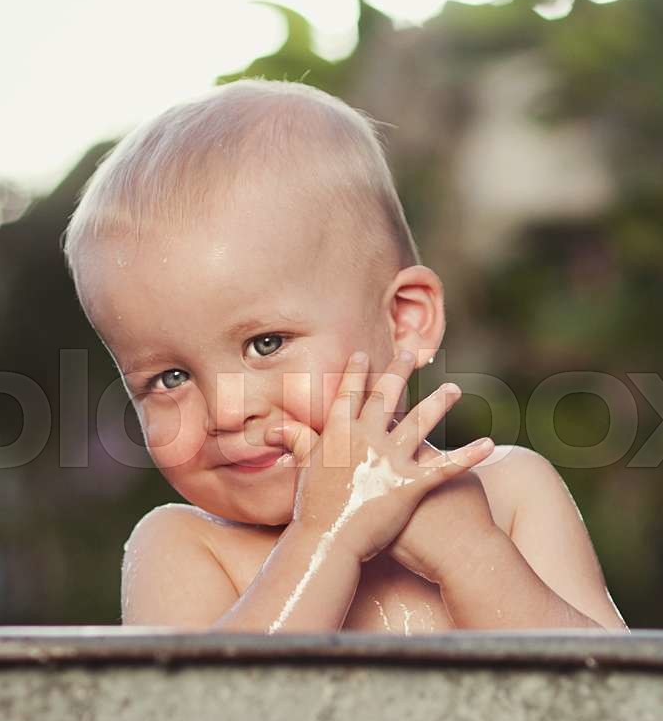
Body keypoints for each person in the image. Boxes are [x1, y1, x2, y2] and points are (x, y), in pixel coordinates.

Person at [62, 78, 627, 633]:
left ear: (405, 320)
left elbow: (626, 708)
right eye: (169, 378)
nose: (227, 412)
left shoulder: (512, 495)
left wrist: (473, 555)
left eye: (267, 344)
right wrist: (324, 537)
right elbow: (211, 716)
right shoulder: (185, 548)